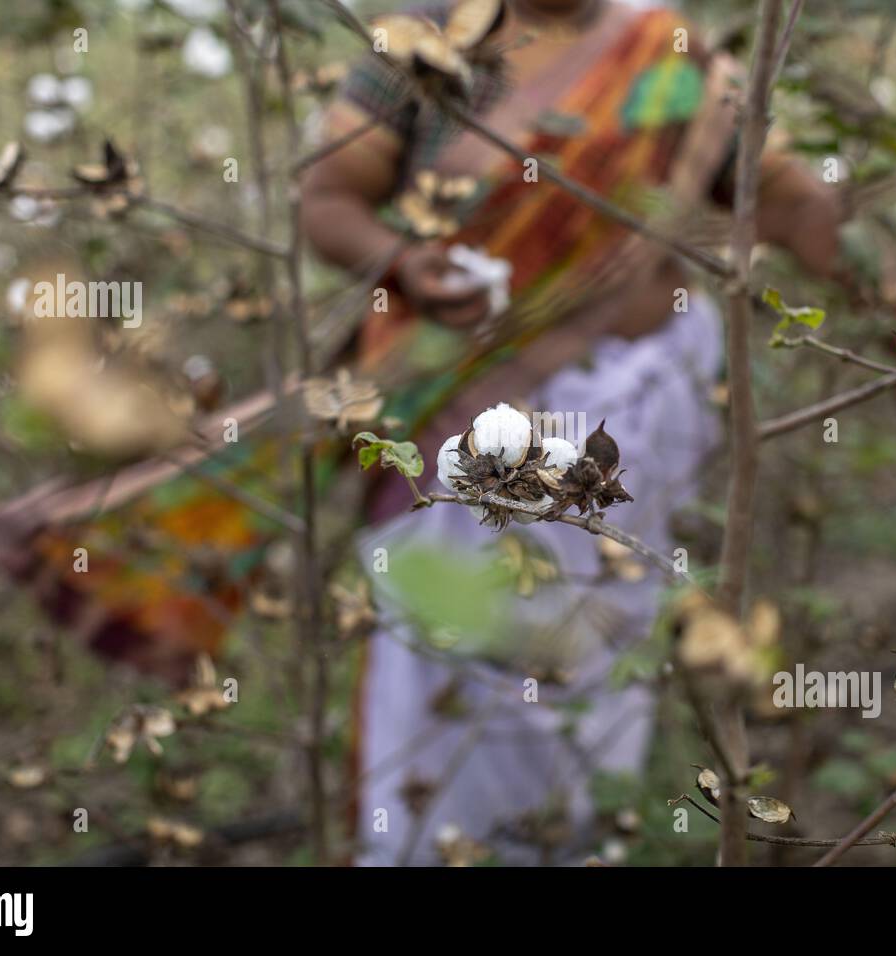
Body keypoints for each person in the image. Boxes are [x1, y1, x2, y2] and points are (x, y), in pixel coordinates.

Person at [301, 0, 845, 864]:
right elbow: (328, 198)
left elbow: (779, 196)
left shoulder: (662, 49)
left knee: (589, 672)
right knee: (456, 672)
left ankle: (572, 842)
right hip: (462, 412)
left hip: (629, 426)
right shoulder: (421, 40)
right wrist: (409, 266)